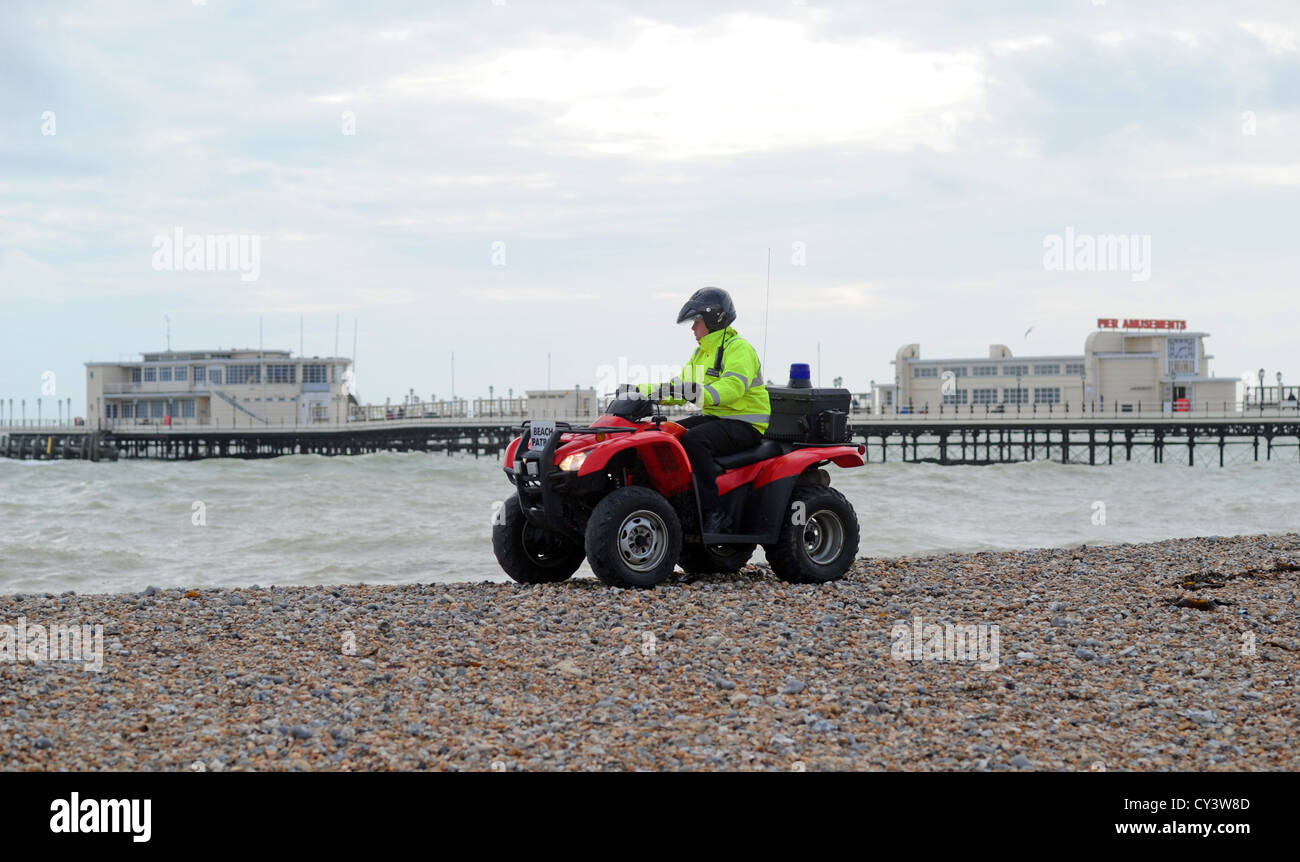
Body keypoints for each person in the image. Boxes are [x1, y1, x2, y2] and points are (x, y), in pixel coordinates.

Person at [637, 287, 770, 533]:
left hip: (746, 423)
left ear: (713, 319)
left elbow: (732, 387)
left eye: (696, 321)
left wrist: (697, 394)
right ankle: (677, 502)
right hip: (718, 418)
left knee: (693, 440)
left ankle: (713, 513)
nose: (693, 328)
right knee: (667, 433)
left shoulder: (738, 349)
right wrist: (639, 391)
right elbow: (677, 387)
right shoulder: (702, 353)